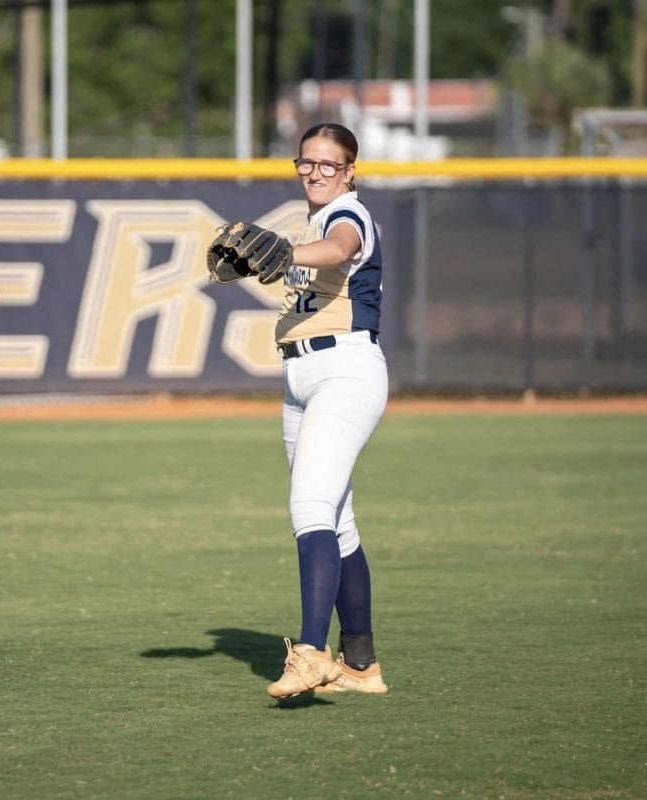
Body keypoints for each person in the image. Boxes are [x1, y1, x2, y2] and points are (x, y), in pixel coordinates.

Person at [260, 123, 390, 699]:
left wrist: (282, 252)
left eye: (328, 164)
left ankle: (311, 654)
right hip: (302, 377)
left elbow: (342, 249)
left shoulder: (349, 214)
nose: (315, 172)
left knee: (309, 505)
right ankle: (359, 663)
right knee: (336, 523)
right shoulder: (311, 222)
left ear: (350, 171)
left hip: (345, 371)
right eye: (305, 163)